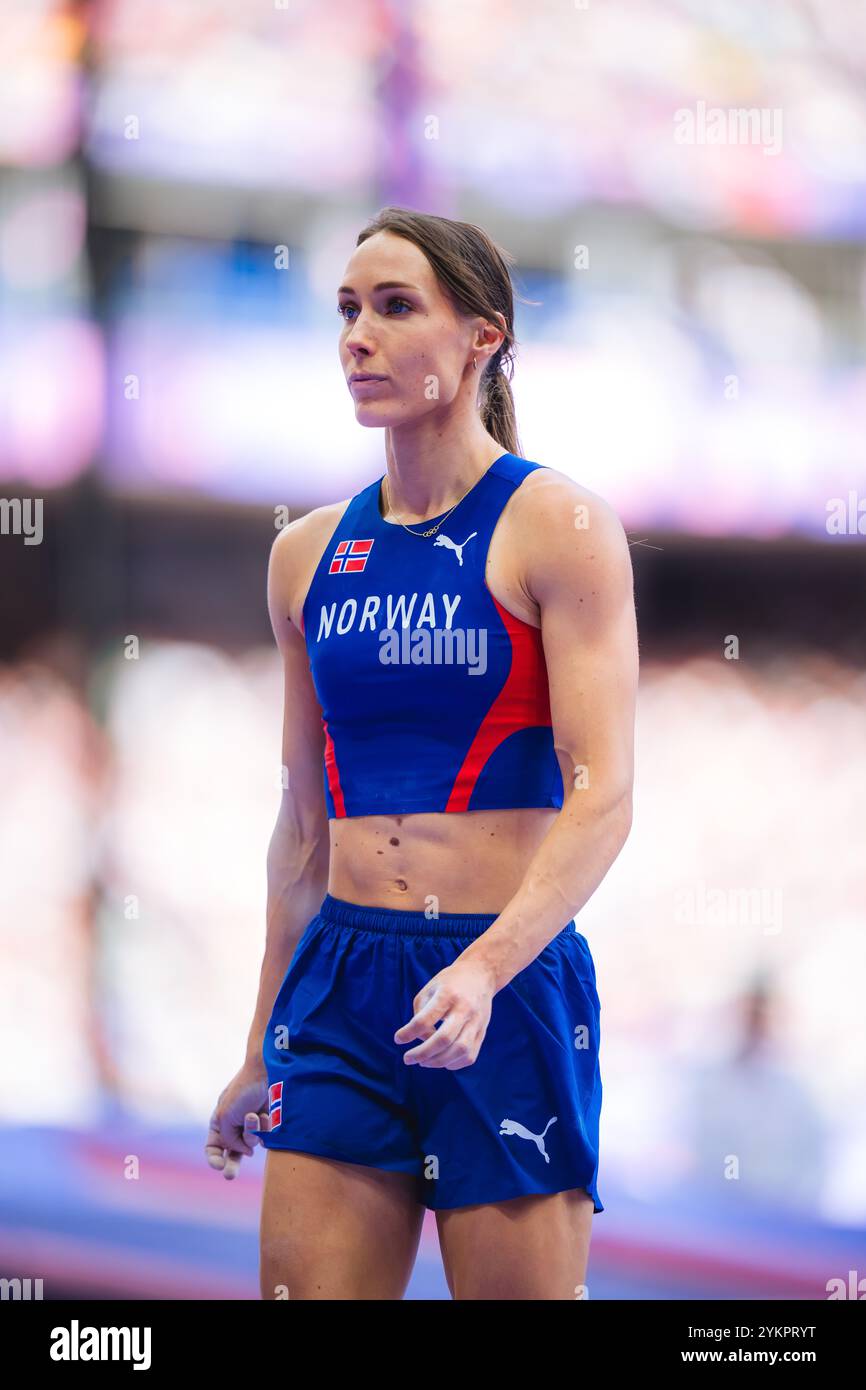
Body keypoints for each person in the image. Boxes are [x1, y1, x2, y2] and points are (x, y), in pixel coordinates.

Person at [205, 207, 639, 1300]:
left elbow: (603, 797)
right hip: (344, 990)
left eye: (395, 308)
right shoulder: (304, 556)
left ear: (482, 337)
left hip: (504, 985)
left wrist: (484, 969)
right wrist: (261, 1043)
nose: (357, 335)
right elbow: (302, 828)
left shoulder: (556, 527)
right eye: (347, 309)